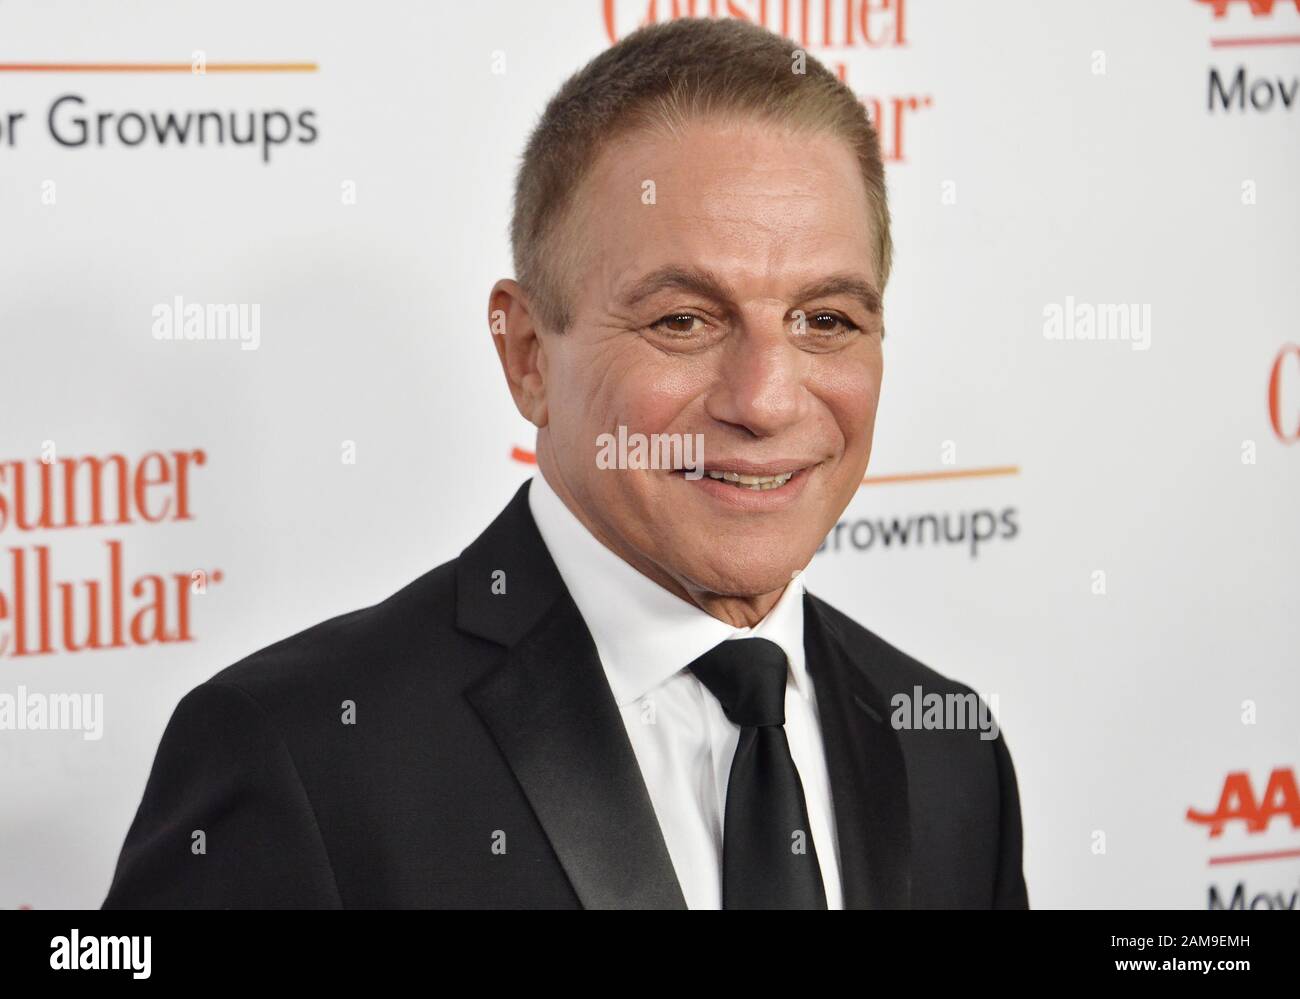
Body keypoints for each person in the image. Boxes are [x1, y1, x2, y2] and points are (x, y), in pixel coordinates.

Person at [103, 16, 1028, 909]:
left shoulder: (947, 746)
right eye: (683, 321)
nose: (766, 399)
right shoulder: (296, 754)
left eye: (825, 321)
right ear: (529, 355)